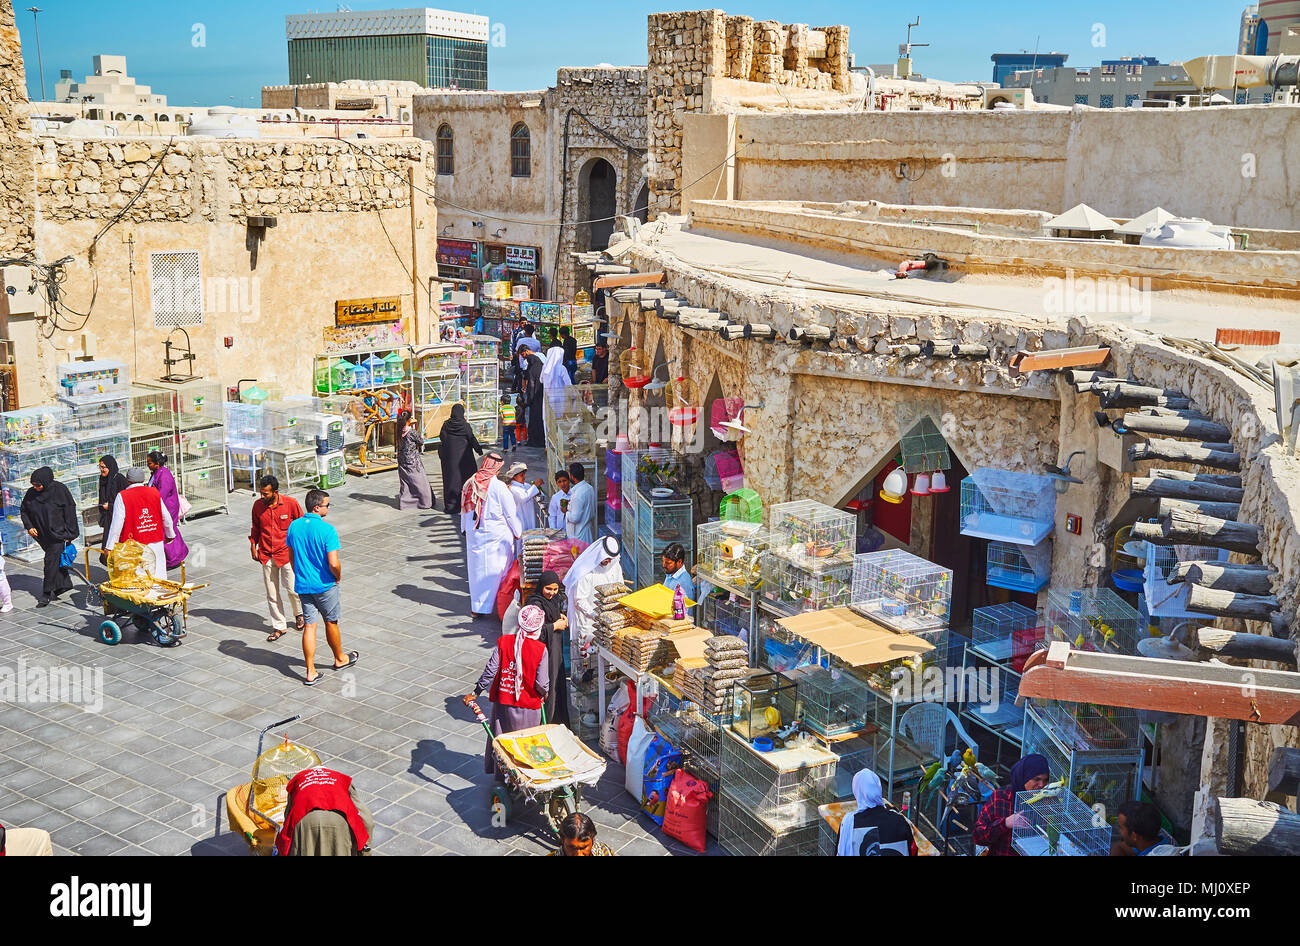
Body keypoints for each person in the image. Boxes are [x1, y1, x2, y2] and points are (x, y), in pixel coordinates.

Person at [466, 603, 550, 777]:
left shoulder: (504, 642)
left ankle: (504, 775)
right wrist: (544, 694)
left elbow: (490, 670)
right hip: (529, 707)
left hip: (504, 704)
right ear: (538, 628)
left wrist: (476, 692)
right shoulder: (540, 650)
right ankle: (528, 775)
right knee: (527, 745)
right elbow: (542, 683)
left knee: (504, 743)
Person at [285, 488, 358, 686]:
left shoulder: (294, 526)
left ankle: (310, 671)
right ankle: (340, 658)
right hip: (325, 585)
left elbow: (291, 558)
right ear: (317, 507)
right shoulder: (328, 530)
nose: (328, 508)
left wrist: (300, 573)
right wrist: (338, 577)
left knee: (310, 626)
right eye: (327, 505)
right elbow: (334, 563)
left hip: (303, 585)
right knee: (331, 622)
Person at [461, 451, 521, 618]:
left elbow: (464, 510)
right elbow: (510, 513)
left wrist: (465, 530)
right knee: (500, 572)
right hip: (497, 537)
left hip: (475, 535)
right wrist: (518, 532)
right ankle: (500, 605)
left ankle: (478, 607)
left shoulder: (471, 482)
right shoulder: (499, 487)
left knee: (477, 572)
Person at [249, 474, 305, 642]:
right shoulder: (257, 506)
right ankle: (279, 626)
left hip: (287, 555)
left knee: (293, 589)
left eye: (265, 494)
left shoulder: (291, 503)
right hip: (266, 555)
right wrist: (253, 546)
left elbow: (301, 526)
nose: (262, 497)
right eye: (261, 493)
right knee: (272, 594)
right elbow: (255, 528)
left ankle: (299, 614)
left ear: (275, 492)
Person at [563, 536, 622, 687]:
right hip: (588, 623)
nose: (608, 561)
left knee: (607, 659)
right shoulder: (585, 572)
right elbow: (579, 600)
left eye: (610, 559)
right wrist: (596, 615)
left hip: (609, 622)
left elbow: (619, 587)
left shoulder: (614, 566)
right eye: (606, 558)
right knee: (587, 661)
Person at [275, 767, 374, 856]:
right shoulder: (342, 779)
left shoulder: (297, 781)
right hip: (339, 823)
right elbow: (366, 818)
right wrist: (365, 850)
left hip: (306, 824)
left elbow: (288, 817)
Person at [20, 468, 79, 607]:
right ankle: (63, 584)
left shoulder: (60, 490)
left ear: (46, 482)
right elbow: (24, 510)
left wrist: (69, 534)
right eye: (33, 485)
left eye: (38, 485)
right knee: (55, 559)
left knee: (50, 562)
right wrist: (29, 526)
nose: (36, 488)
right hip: (41, 535)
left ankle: (46, 593)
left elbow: (70, 511)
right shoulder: (31, 493)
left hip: (59, 535)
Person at [104, 467, 175, 582]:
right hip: (155, 540)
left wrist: (110, 546)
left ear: (127, 480)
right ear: (143, 479)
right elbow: (165, 516)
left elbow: (116, 524)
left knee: (138, 577)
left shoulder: (122, 496)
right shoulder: (154, 492)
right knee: (158, 572)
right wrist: (170, 533)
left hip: (134, 544)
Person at [972, 753, 1050, 856]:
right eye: (1037, 779)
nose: (1041, 785)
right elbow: (978, 837)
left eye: (1045, 780)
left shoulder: (1048, 801)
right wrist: (1005, 823)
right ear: (1024, 777)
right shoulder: (1000, 797)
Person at [836, 769, 916, 856]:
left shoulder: (850, 823)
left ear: (857, 792)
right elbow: (913, 851)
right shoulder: (900, 820)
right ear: (879, 790)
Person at [526, 570, 569, 725]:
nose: (552, 593)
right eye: (548, 589)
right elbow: (533, 630)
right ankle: (546, 722)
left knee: (557, 684)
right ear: (541, 587)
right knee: (547, 685)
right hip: (543, 652)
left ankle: (557, 721)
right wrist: (555, 626)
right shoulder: (535, 604)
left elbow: (553, 613)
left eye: (555, 589)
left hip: (555, 651)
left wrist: (560, 617)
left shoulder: (554, 600)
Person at [437, 403, 483, 515]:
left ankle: (451, 506)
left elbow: (442, 437)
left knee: (450, 481)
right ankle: (466, 503)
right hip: (464, 460)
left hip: (449, 459)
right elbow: (471, 439)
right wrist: (479, 450)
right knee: (465, 481)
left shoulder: (446, 425)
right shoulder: (465, 425)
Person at [146, 451, 189, 571]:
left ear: (157, 463)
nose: (147, 465)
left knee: (168, 531)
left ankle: (173, 558)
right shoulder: (157, 472)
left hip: (167, 507)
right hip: (162, 506)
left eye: (149, 463)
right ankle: (174, 556)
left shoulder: (164, 475)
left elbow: (162, 494)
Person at [394, 409, 435, 510]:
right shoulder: (411, 431)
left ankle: (406, 502)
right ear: (409, 420)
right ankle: (424, 501)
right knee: (419, 480)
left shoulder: (398, 430)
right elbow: (421, 441)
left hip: (402, 459)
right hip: (412, 460)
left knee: (405, 481)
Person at [548, 812, 615, 856]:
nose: (578, 854)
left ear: (593, 839)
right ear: (562, 840)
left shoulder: (605, 852)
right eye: (571, 847)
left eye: (583, 847)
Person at [96, 455, 126, 550]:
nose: (101, 470)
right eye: (100, 467)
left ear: (110, 466)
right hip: (108, 517)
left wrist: (111, 506)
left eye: (103, 467)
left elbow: (125, 501)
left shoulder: (119, 479)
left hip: (118, 517)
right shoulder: (103, 479)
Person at [505, 461, 543, 534]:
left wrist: (538, 492)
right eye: (521, 475)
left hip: (530, 518)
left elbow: (537, 495)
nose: (524, 477)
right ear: (514, 476)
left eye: (524, 474)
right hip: (520, 521)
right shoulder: (512, 488)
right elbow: (524, 498)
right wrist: (535, 486)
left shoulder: (527, 485)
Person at [661, 542, 695, 618]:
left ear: (679, 562)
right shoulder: (671, 573)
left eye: (668, 563)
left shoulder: (682, 585)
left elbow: (681, 616)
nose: (664, 565)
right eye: (663, 561)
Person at [520, 349, 546, 448]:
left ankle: (534, 441)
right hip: (541, 397)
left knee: (534, 420)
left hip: (534, 399)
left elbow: (531, 385)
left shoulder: (532, 369)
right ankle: (541, 440)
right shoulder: (541, 367)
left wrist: (529, 400)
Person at [564, 462, 594, 544]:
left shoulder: (578, 494)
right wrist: (570, 505)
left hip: (579, 537)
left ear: (572, 477)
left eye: (570, 474)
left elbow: (575, 518)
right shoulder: (589, 488)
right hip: (586, 532)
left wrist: (566, 511)